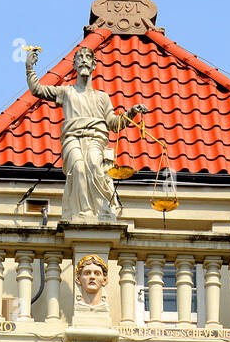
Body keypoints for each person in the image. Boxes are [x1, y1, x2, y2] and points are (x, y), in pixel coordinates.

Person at [26, 45, 146, 222]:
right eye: (79, 57)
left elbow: (114, 124)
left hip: (96, 139)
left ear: (94, 64)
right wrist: (30, 68)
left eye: (87, 57)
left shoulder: (102, 97)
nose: (83, 60)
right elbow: (38, 90)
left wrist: (131, 113)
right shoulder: (66, 92)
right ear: (74, 65)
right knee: (78, 169)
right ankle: (83, 212)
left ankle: (101, 208)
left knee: (94, 166)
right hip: (73, 138)